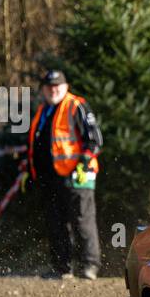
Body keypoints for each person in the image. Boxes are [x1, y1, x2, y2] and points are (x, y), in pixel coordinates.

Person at [26, 70, 102, 279]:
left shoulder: (76, 106)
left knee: (82, 220)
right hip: (51, 178)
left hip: (78, 175)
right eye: (50, 86)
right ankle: (61, 267)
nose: (54, 89)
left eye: (58, 85)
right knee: (56, 223)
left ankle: (89, 266)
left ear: (66, 86)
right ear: (43, 89)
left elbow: (94, 139)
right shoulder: (43, 111)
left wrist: (84, 162)